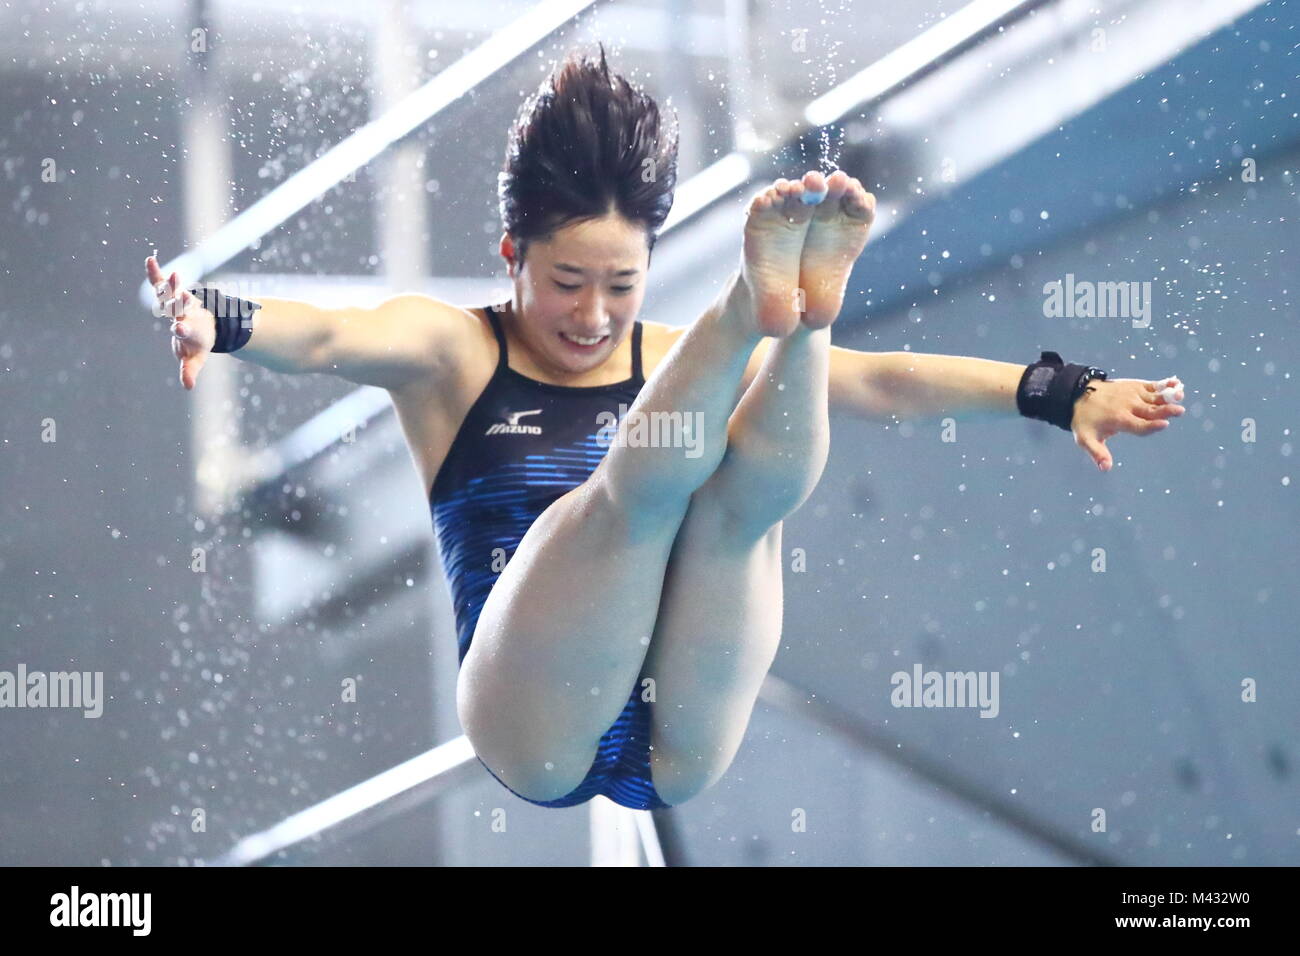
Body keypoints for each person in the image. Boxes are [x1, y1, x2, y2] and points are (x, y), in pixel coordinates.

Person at [146, 45, 1185, 811]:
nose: (593, 316)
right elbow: (329, 334)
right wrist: (215, 319)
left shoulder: (666, 365)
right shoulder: (451, 348)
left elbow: (887, 383)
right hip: (533, 722)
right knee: (626, 497)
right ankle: (758, 303)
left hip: (682, 730)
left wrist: (1060, 389)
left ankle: (800, 316)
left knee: (746, 496)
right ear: (512, 251)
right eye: (564, 283)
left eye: (621, 284)